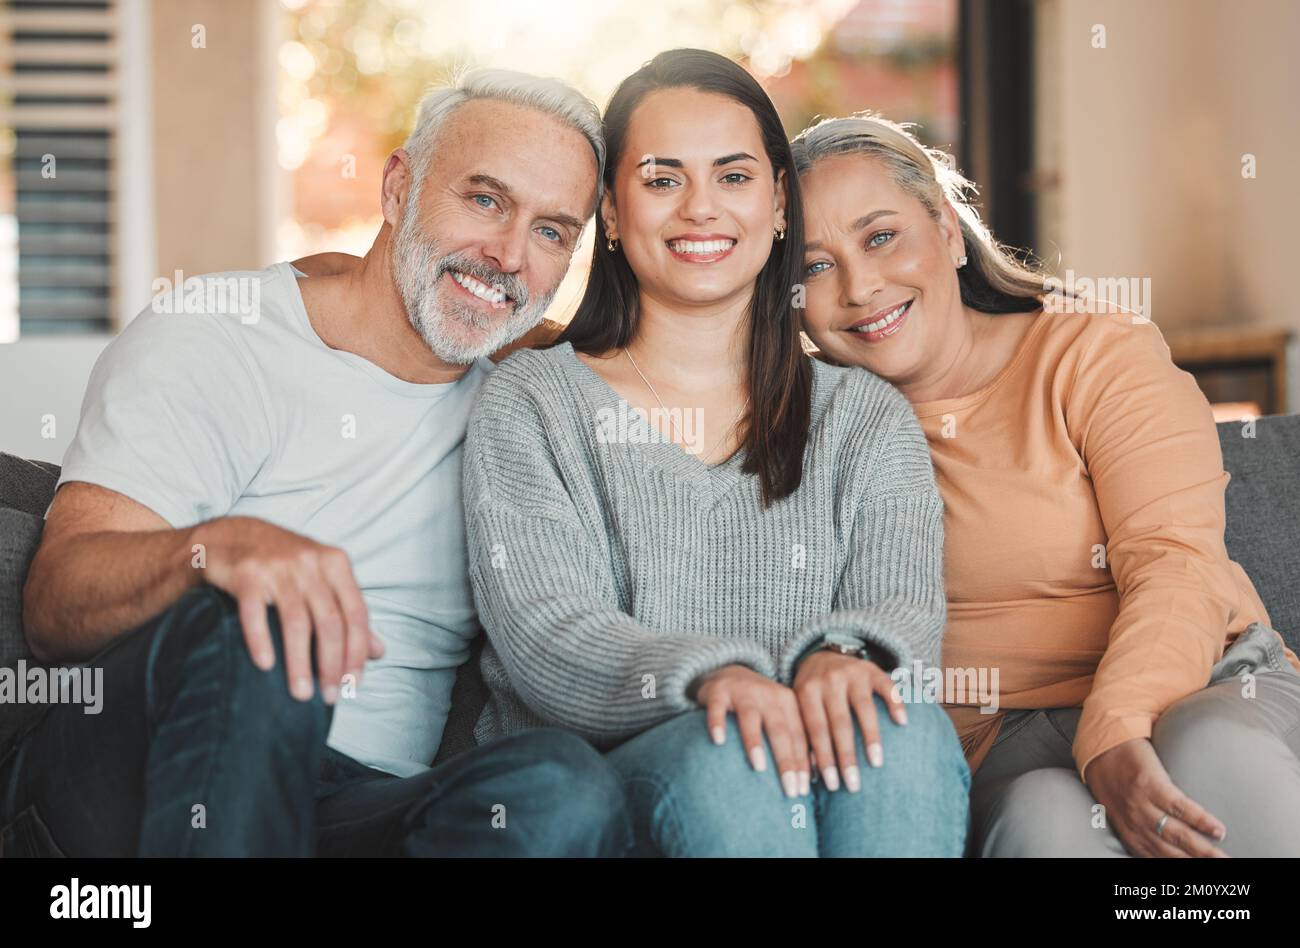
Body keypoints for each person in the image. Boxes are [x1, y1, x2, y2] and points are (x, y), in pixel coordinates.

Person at [2, 68, 631, 857]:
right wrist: (214, 551)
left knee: (559, 786)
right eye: (484, 200)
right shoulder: (219, 337)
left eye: (551, 232)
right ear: (399, 187)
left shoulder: (529, 402)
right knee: (254, 614)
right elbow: (54, 606)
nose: (508, 255)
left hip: (353, 806)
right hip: (132, 783)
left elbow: (650, 341)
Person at [462, 49, 970, 858]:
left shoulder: (863, 415)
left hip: (814, 752)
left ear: (777, 204)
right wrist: (712, 679)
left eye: (733, 177)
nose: (702, 209)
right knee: (735, 751)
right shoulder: (531, 401)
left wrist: (841, 657)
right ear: (614, 215)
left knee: (898, 731)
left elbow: (901, 604)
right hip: (601, 780)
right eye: (663, 181)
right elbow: (545, 633)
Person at [792, 112, 1300, 857]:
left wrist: (1116, 728)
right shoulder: (808, 432)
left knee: (1206, 751)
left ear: (945, 226)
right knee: (1042, 821)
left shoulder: (1095, 353)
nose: (861, 286)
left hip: (1202, 680)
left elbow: (1175, 564)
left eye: (879, 236)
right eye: (813, 265)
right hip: (1006, 742)